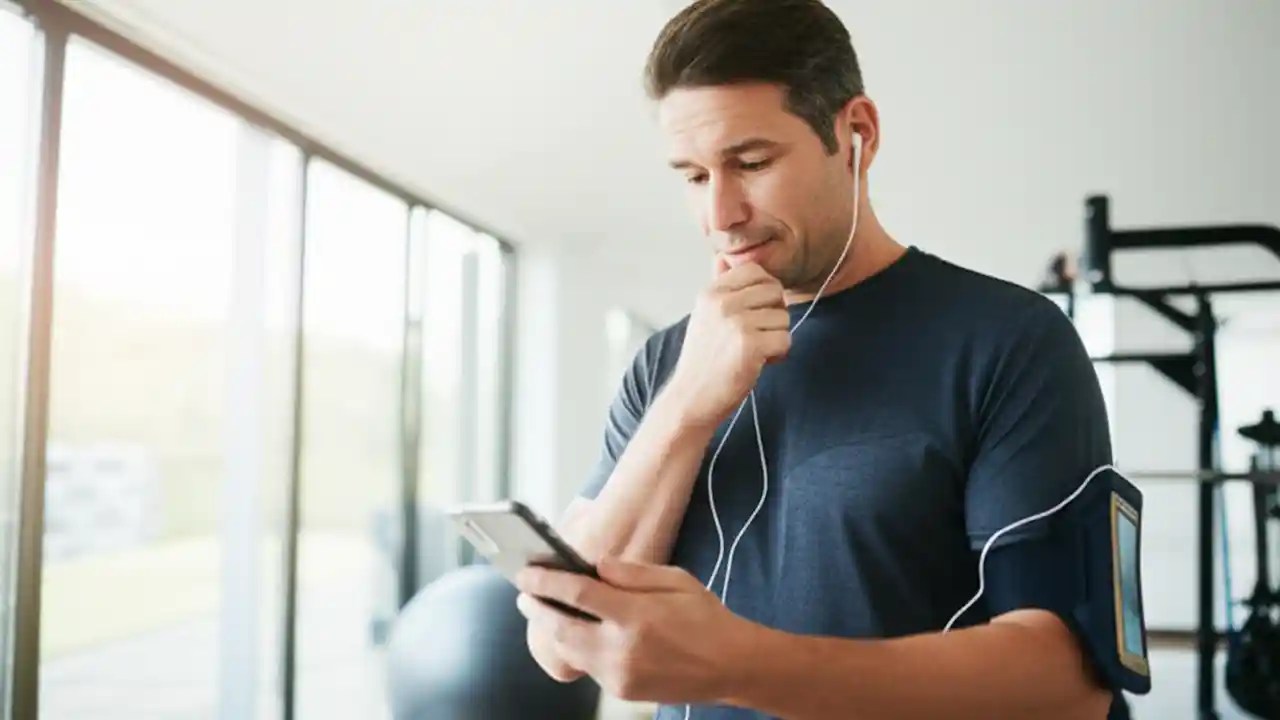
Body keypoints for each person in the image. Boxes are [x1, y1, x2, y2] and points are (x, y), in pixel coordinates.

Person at [514, 1, 1125, 717]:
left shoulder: (1009, 341)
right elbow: (558, 649)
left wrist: (743, 662)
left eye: (751, 162)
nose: (720, 215)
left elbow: (1069, 685)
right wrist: (686, 406)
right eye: (692, 176)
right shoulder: (666, 364)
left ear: (855, 133)